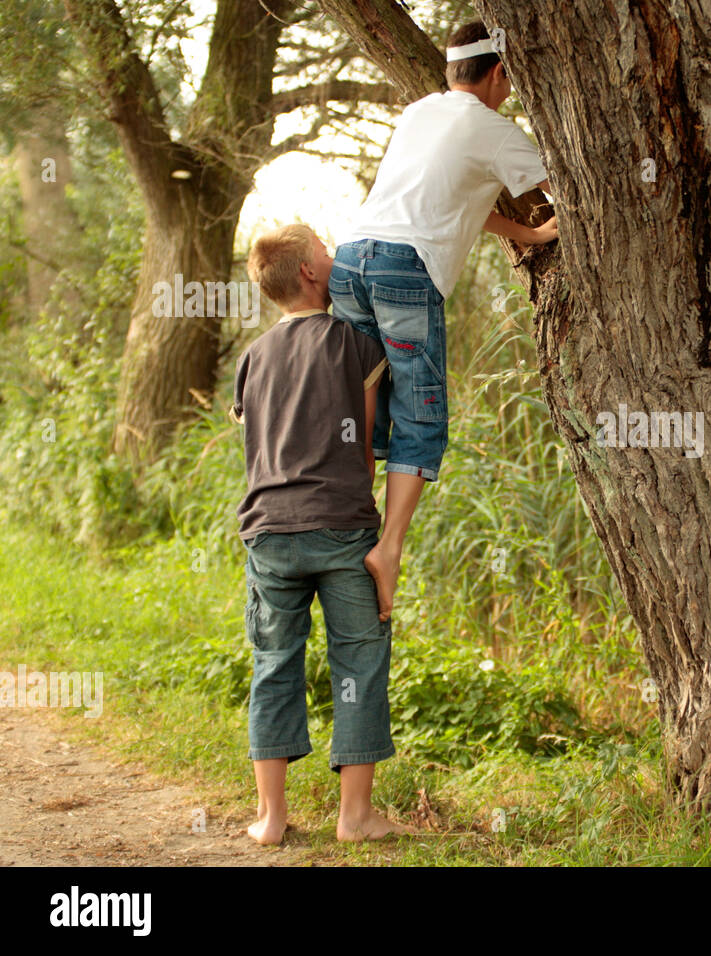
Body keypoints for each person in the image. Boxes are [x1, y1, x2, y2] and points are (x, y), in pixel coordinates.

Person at [329, 18, 557, 624]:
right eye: (511, 81)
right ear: (500, 73)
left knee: (365, 393)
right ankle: (390, 549)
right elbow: (572, 193)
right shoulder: (496, 130)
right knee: (421, 412)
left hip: (351, 258)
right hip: (405, 270)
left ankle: (349, 524)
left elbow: (451, 202)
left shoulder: (418, 114)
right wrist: (550, 219)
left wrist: (527, 234)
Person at [231, 223, 412, 844]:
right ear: (311, 272)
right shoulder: (353, 344)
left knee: (274, 663)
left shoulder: (253, 356)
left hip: (269, 532)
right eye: (328, 253)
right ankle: (355, 817)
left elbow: (257, 444)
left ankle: (271, 818)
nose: (336, 260)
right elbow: (363, 447)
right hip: (341, 527)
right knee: (358, 659)